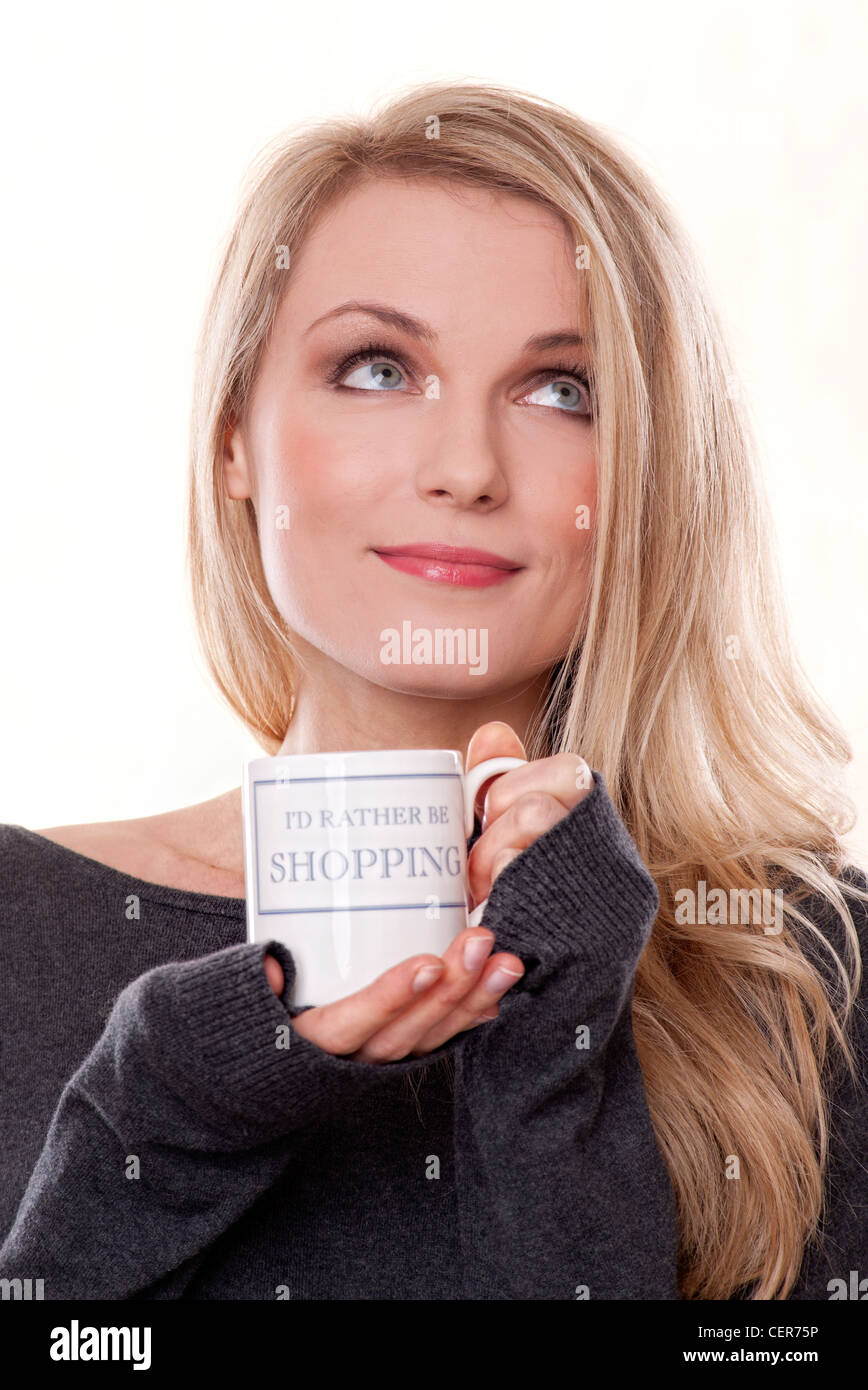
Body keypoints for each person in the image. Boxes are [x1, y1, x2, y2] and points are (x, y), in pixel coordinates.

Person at [1, 79, 865, 1302]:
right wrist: (163, 1110)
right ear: (234, 438)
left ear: (646, 472)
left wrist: (555, 1054)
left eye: (561, 390)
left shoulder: (805, 973)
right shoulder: (18, 925)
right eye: (376, 367)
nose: (466, 468)